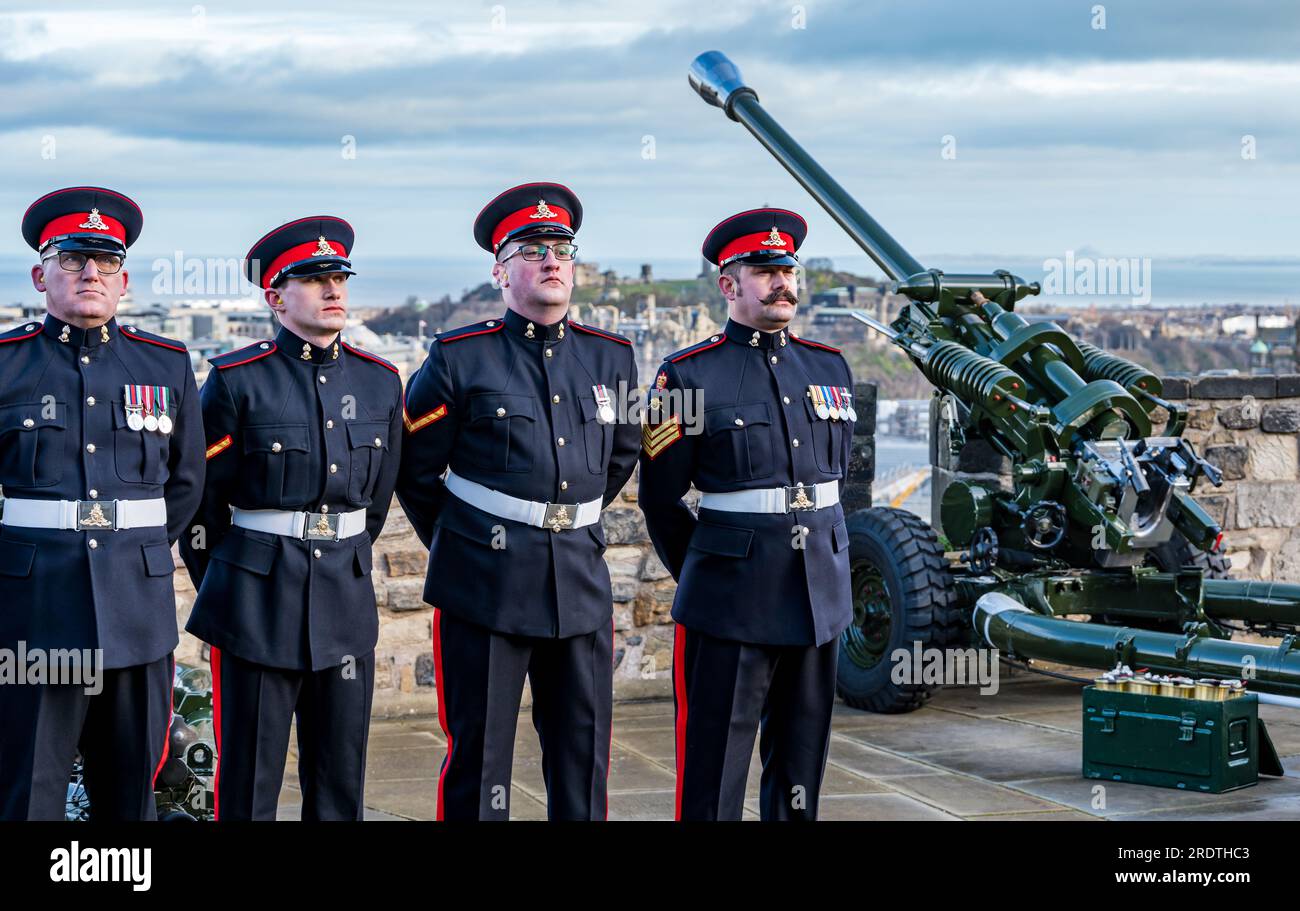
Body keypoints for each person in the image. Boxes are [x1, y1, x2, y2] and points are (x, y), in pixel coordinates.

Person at [397, 182, 640, 820]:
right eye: (532, 250)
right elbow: (417, 471)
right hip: (484, 588)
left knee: (584, 759)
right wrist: (472, 540)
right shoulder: (458, 359)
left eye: (561, 247)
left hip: (580, 586)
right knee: (480, 762)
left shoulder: (612, 358)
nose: (552, 260)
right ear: (501, 271)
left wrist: (559, 523)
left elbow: (620, 456)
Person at [179, 216, 403, 820]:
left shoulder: (380, 382)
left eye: (338, 278)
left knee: (339, 779)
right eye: (313, 279)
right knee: (249, 780)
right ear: (276, 297)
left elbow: (376, 502)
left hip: (345, 606)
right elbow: (201, 501)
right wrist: (234, 581)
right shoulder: (236, 381)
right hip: (257, 604)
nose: (333, 290)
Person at [639, 208, 855, 821]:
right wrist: (710, 573)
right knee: (714, 770)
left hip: (819, 593)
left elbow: (841, 486)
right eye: (764, 270)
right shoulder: (685, 375)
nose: (781, 281)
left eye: (787, 268)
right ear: (728, 285)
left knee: (801, 766)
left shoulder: (828, 365)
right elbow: (660, 498)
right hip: (730, 600)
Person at [0, 186, 204, 820]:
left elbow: (187, 481)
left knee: (129, 795)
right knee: (27, 790)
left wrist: (134, 551)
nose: (91, 273)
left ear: (123, 281)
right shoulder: (7, 367)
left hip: (135, 611)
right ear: (40, 275)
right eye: (72, 259)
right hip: (35, 614)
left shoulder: (166, 365)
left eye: (106, 262)